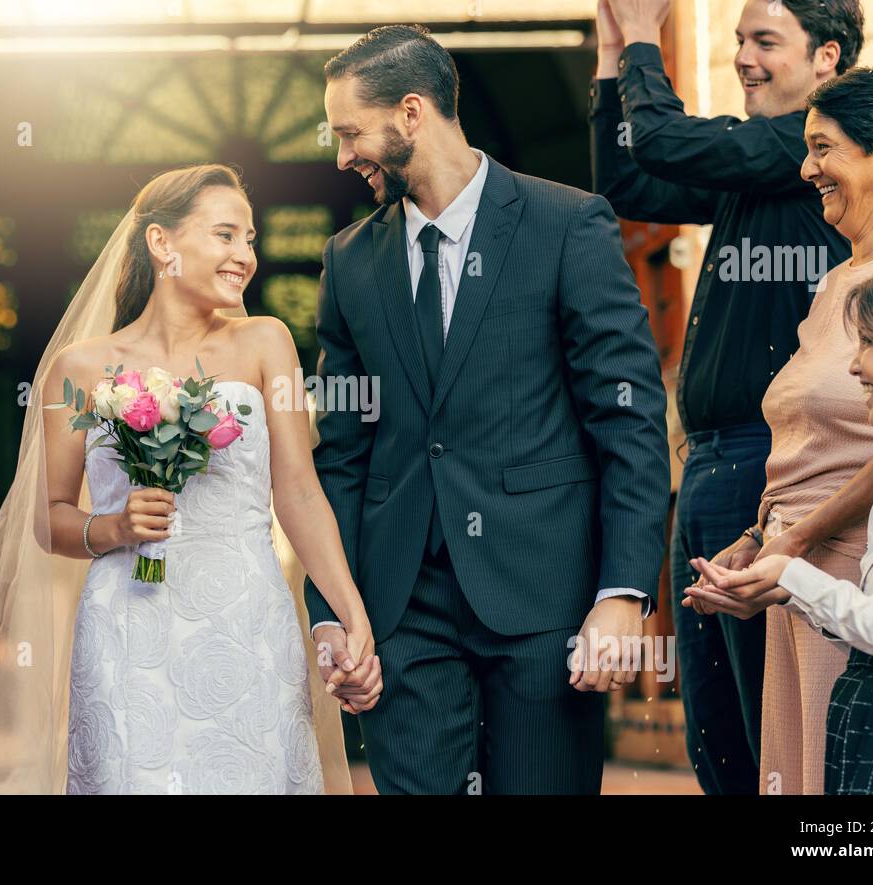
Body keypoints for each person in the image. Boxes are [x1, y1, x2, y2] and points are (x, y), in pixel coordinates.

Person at [309, 25, 669, 794]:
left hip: (544, 599)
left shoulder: (568, 224)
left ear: (412, 112)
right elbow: (339, 452)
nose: (342, 157)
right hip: (402, 610)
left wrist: (622, 594)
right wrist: (332, 611)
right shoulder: (346, 263)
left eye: (350, 133)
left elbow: (627, 418)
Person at [0, 164, 363, 794]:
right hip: (126, 622)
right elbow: (48, 517)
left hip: (245, 621)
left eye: (250, 240)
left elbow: (301, 494)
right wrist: (111, 525)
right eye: (226, 235)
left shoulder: (266, 343)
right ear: (162, 244)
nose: (245, 256)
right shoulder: (80, 367)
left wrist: (350, 614)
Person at [592, 0, 862, 794]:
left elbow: (669, 139)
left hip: (766, 464)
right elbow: (628, 176)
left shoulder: (808, 142)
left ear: (827, 58)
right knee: (716, 725)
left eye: (764, 41)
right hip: (710, 461)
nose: (743, 56)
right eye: (738, 39)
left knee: (762, 720)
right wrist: (614, 59)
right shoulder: (760, 158)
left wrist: (645, 38)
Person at [688, 65, 873, 794]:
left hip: (854, 582)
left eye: (823, 148)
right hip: (799, 576)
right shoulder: (838, 279)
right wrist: (758, 541)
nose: (806, 167)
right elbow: (810, 448)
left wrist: (799, 542)